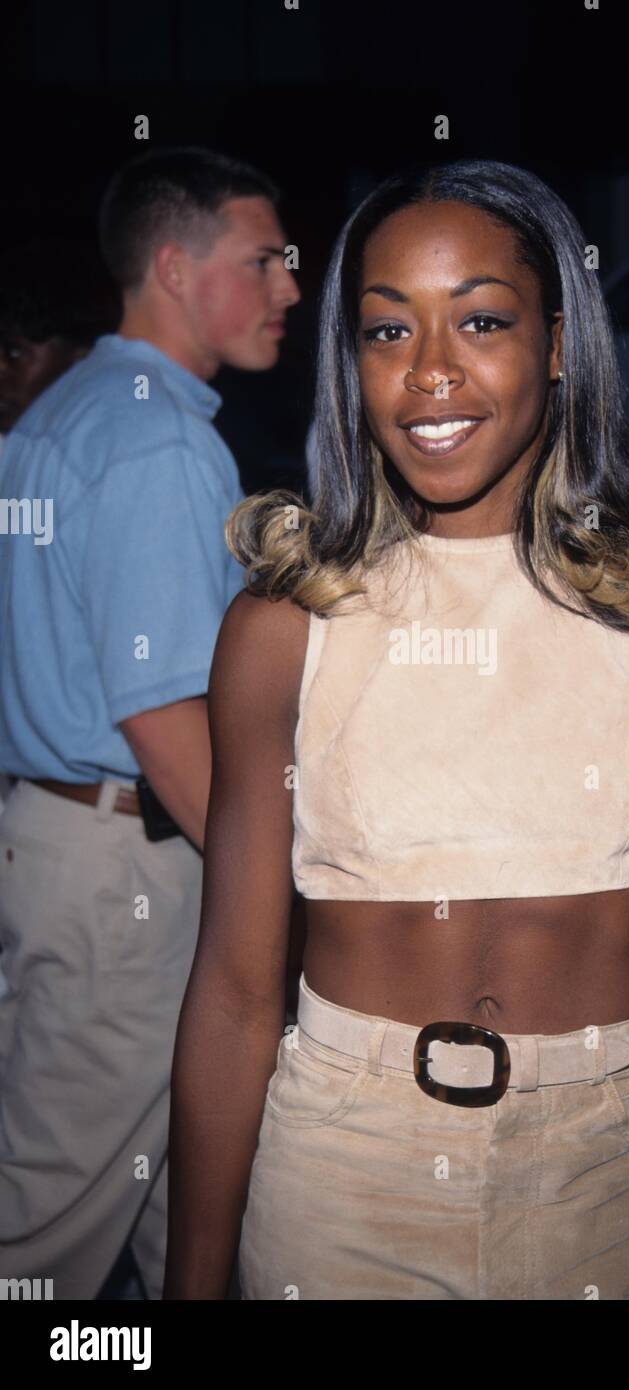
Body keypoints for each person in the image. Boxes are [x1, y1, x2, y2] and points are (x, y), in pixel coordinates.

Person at [165, 159, 629, 1302]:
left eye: (482, 320)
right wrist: (189, 1288)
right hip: (342, 1176)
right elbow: (233, 985)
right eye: (384, 331)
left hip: (613, 1175)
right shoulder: (283, 626)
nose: (430, 374)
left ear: (559, 344)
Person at [0, 145, 300, 1299]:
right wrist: (275, 901)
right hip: (126, 868)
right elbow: (166, 715)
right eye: (261, 260)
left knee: (191, 1206)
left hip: (67, 844)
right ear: (174, 268)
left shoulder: (71, 406)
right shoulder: (158, 439)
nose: (288, 286)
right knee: (45, 1233)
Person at [0, 237, 118, 816]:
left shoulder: (96, 460)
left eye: (17, 353)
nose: (1, 372)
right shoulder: (23, 455)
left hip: (55, 797)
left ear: (79, 358)